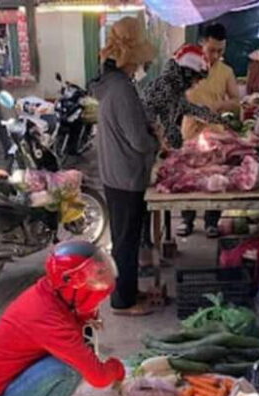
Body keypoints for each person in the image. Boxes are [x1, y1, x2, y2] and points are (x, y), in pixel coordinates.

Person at [0, 241, 126, 396]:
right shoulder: (45, 315)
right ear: (73, 283)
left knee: (78, 359)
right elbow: (99, 377)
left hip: (18, 379)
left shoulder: (56, 294)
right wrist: (117, 369)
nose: (105, 277)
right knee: (71, 367)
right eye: (98, 273)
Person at [92, 16, 158, 316]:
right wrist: (154, 139)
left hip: (115, 172)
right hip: (126, 175)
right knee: (125, 242)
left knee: (125, 239)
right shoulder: (122, 89)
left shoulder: (110, 84)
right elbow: (138, 141)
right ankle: (123, 301)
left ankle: (128, 291)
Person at [178, 23, 241, 239]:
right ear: (201, 43)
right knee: (188, 177)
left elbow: (235, 101)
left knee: (215, 178)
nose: (215, 55)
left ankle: (211, 222)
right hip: (190, 132)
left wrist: (219, 106)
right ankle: (186, 220)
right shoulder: (186, 67)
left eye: (220, 51)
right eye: (212, 49)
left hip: (215, 134)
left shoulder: (226, 72)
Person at [141, 44, 222, 152]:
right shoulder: (164, 89)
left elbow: (189, 109)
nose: (196, 84)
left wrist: (215, 119)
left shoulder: (175, 90)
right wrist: (171, 145)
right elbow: (156, 125)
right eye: (196, 79)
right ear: (187, 73)